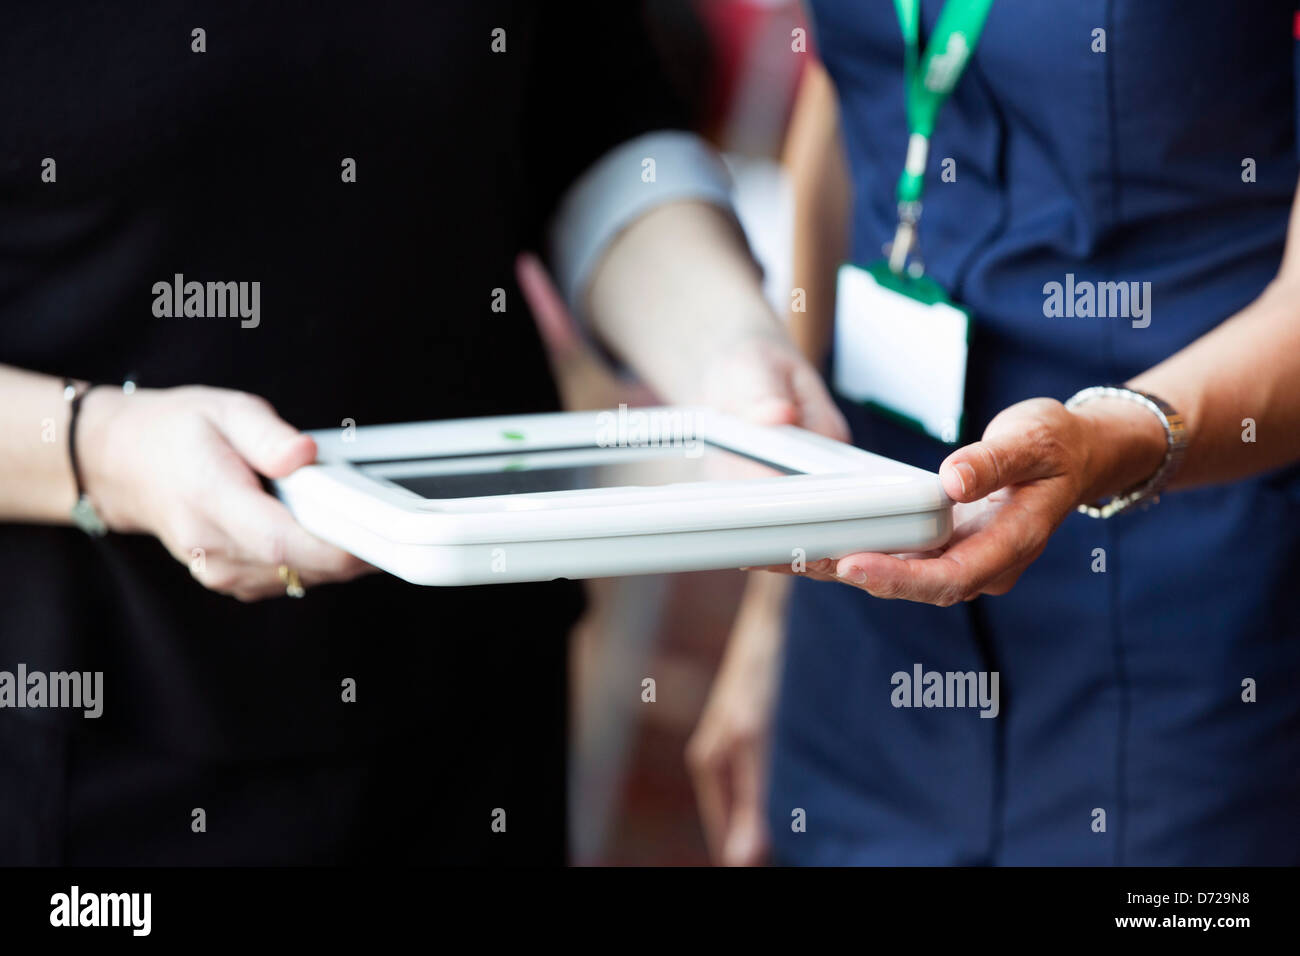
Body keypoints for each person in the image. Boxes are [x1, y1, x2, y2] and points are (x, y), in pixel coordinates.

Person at [0, 2, 841, 865]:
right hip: (90, 732)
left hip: (470, 705)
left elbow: (597, 129)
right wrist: (101, 447)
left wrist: (730, 353)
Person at [691, 2, 1300, 865]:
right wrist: (770, 622)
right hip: (865, 625)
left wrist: (1104, 442)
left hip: (1190, 642)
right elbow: (847, 89)